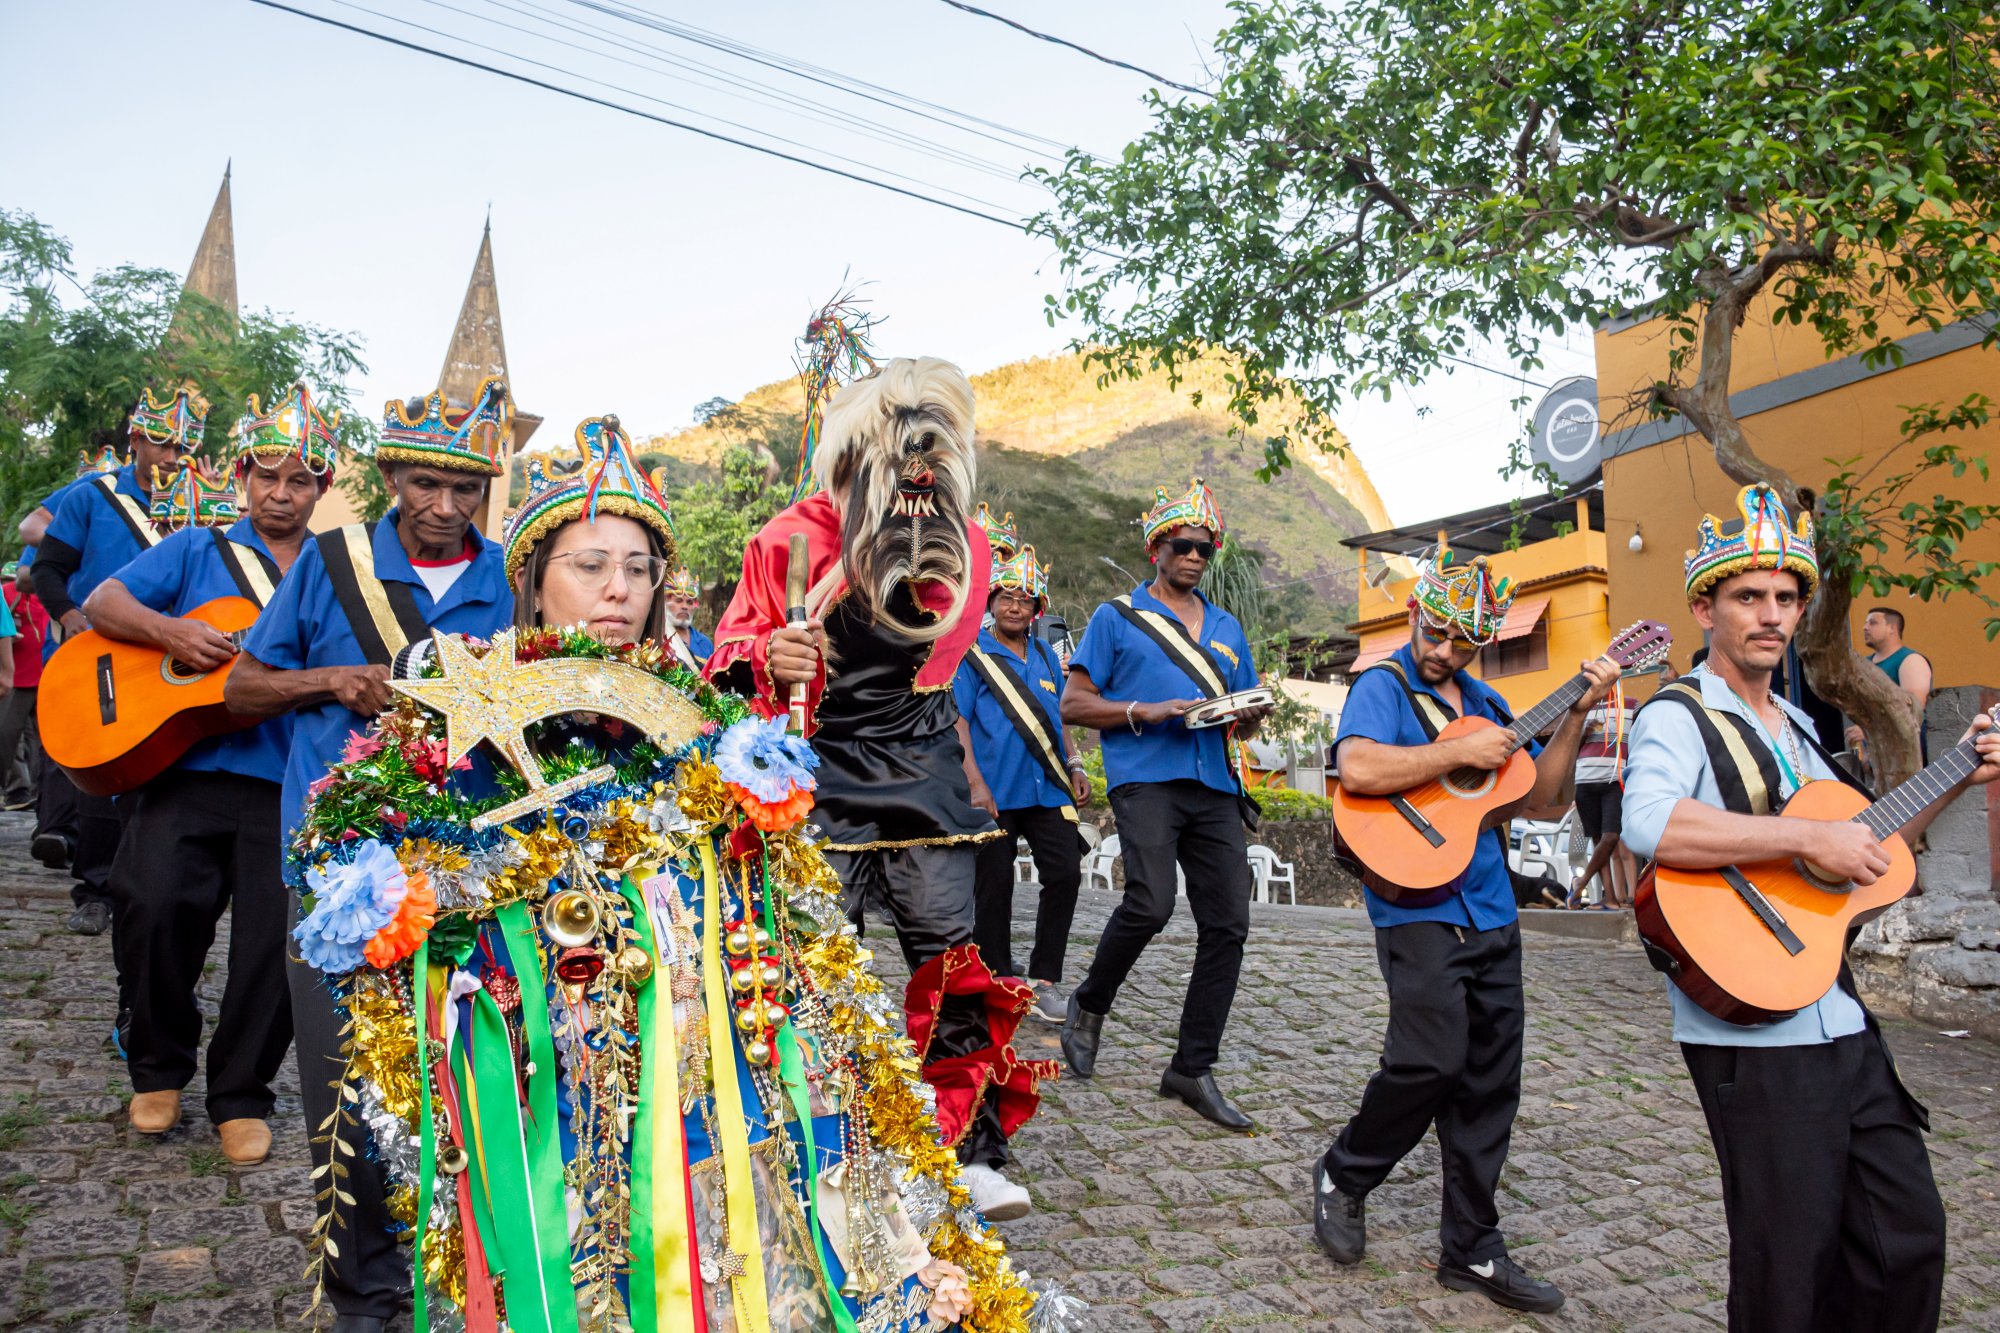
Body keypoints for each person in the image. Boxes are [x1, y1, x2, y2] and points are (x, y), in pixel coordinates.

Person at [276, 409, 1072, 1329]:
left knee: (712, 1214)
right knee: (562, 1231)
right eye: (590, 565)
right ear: (531, 582)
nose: (618, 590)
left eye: (640, 568)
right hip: (537, 1029)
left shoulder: (690, 697)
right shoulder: (455, 678)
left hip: (684, 1026)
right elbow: (390, 830)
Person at [1623, 485, 1999, 1333]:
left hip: (1838, 1014)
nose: (1771, 615)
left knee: (1906, 1236)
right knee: (1785, 1268)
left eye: (1786, 598)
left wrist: (1962, 774)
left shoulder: (1795, 721)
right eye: (1748, 596)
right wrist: (1800, 840)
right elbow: (1648, 822)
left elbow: (1867, 843)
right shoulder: (1678, 715)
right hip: (1749, 1026)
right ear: (1704, 606)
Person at [710, 355, 1052, 1223]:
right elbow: (723, 662)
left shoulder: (968, 546)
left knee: (951, 959)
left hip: (923, 771)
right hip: (820, 773)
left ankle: (970, 1147)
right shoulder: (788, 537)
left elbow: (940, 664)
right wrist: (769, 655)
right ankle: (817, 1144)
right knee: (819, 967)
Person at [224, 376, 515, 1333]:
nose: (444, 506)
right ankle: (363, 1299)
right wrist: (333, 680)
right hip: (340, 872)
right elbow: (242, 690)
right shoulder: (334, 560)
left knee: (471, 1077)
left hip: (467, 868)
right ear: (391, 473)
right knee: (343, 1084)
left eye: (465, 488)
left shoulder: (505, 574)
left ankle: (491, 1278)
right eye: (426, 482)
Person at [1312, 536, 1615, 1315]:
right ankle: (1346, 1171)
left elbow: (1543, 801)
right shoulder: (1384, 683)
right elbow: (1362, 768)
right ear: (1415, 614)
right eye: (1436, 632)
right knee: (1429, 1060)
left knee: (1489, 1082)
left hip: (1488, 904)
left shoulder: (1490, 707)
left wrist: (1576, 712)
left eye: (1463, 641)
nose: (1445, 651)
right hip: (1415, 903)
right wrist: (1457, 757)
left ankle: (1472, 1249)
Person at [80, 383, 335, 1164]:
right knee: (151, 906)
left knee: (274, 943)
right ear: (243, 476)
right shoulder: (195, 549)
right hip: (184, 768)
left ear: (321, 488)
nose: (280, 493)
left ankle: (241, 1093)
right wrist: (171, 632)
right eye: (266, 476)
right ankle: (158, 1066)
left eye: (298, 480)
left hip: (288, 784)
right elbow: (102, 600)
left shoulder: (336, 568)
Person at [1057, 477, 1273, 1130]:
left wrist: (1251, 709)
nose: (1195, 558)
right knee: (1149, 901)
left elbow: (1246, 716)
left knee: (1229, 924)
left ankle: (1191, 1066)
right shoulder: (1115, 618)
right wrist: (1142, 709)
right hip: (1145, 776)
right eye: (1183, 546)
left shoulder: (1230, 628)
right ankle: (1089, 1003)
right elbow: (1073, 703)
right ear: (1157, 548)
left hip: (1215, 784)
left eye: (1205, 550)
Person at [32, 385, 205, 940]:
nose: (172, 457)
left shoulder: (199, 506)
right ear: (134, 439)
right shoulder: (91, 497)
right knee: (95, 773)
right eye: (161, 443)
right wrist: (69, 616)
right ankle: (94, 890)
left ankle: (144, 886)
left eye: (181, 447)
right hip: (95, 655)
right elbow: (47, 568)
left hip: (168, 663)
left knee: (149, 778)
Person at [954, 525, 1089, 1023]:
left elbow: (1058, 718)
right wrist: (974, 783)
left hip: (1047, 784)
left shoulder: (1051, 658)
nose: (1015, 607)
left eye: (1025, 599)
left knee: (1066, 873)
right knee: (994, 885)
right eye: (1006, 597)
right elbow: (958, 719)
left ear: (1038, 608)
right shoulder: (973, 655)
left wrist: (1073, 763)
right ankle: (996, 978)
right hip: (996, 788)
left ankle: (1044, 977)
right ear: (991, 603)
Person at [1570, 670, 1642, 910]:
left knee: (1611, 836)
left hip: (1616, 779)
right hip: (1584, 778)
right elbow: (1569, 748)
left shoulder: (1632, 705)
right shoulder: (1582, 708)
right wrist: (1584, 733)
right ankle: (1609, 897)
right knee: (1597, 838)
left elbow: (1642, 739)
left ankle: (1580, 883)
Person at [1847, 605, 1933, 765]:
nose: (1865, 628)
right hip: (1878, 758)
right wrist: (1865, 753)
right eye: (1865, 623)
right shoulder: (1863, 665)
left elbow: (1912, 713)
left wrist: (1870, 732)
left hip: (1908, 758)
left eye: (1873, 623)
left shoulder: (1911, 660)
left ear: (1892, 628)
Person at [1, 560, 48, 809]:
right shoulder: (7, 594)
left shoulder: (50, 592)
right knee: (7, 735)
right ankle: (13, 789)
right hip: (16, 676)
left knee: (42, 740)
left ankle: (37, 792)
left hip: (46, 675)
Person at [662, 563, 713, 669]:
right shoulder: (658, 638)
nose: (684, 607)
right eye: (679, 601)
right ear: (666, 603)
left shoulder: (705, 643)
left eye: (689, 602)